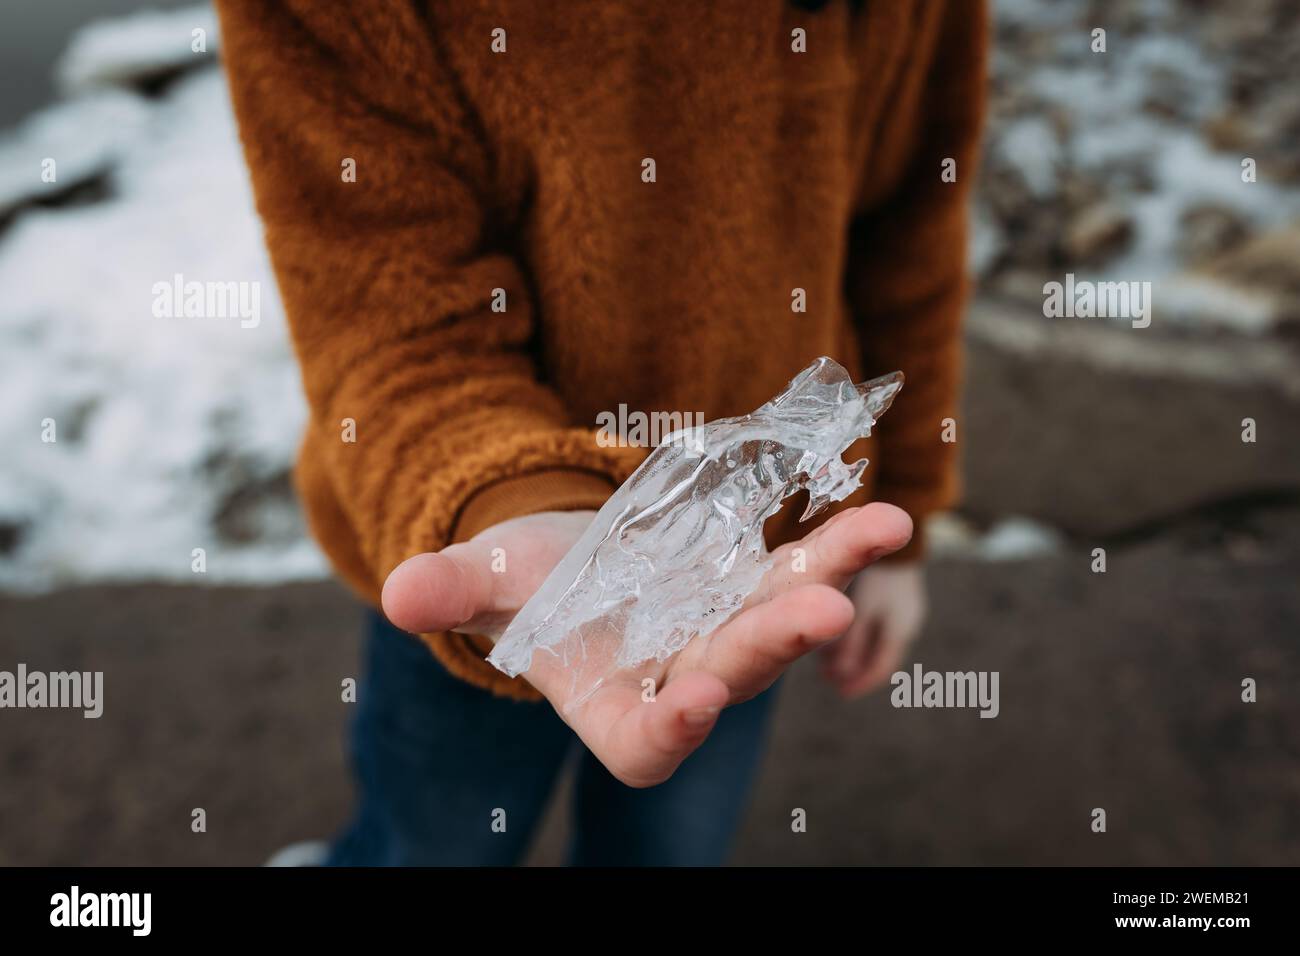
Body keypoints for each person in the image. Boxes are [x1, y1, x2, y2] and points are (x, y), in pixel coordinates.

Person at [216, 0, 986, 865]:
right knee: (434, 844)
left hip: (745, 581)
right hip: (479, 554)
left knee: (669, 840)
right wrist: (504, 497)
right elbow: (389, 316)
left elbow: (913, 230)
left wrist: (908, 509)